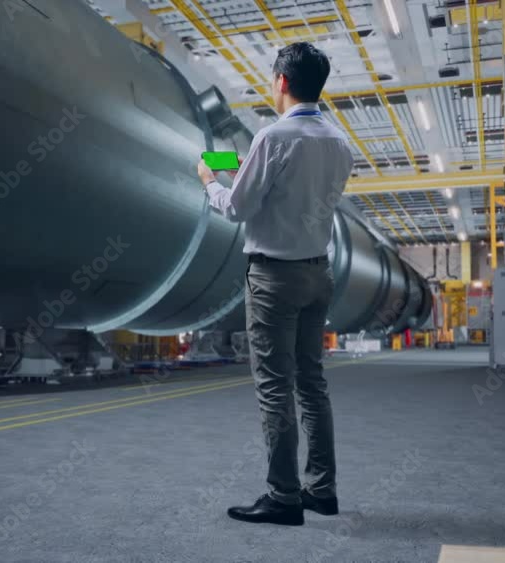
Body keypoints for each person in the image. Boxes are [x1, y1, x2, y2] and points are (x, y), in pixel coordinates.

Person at [196, 42, 354, 526]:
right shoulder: (339, 142)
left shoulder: (273, 138)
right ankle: (321, 491)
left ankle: (283, 496)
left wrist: (210, 180)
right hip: (317, 272)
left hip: (274, 277)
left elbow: (236, 209)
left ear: (281, 82)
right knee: (312, 385)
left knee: (274, 389)